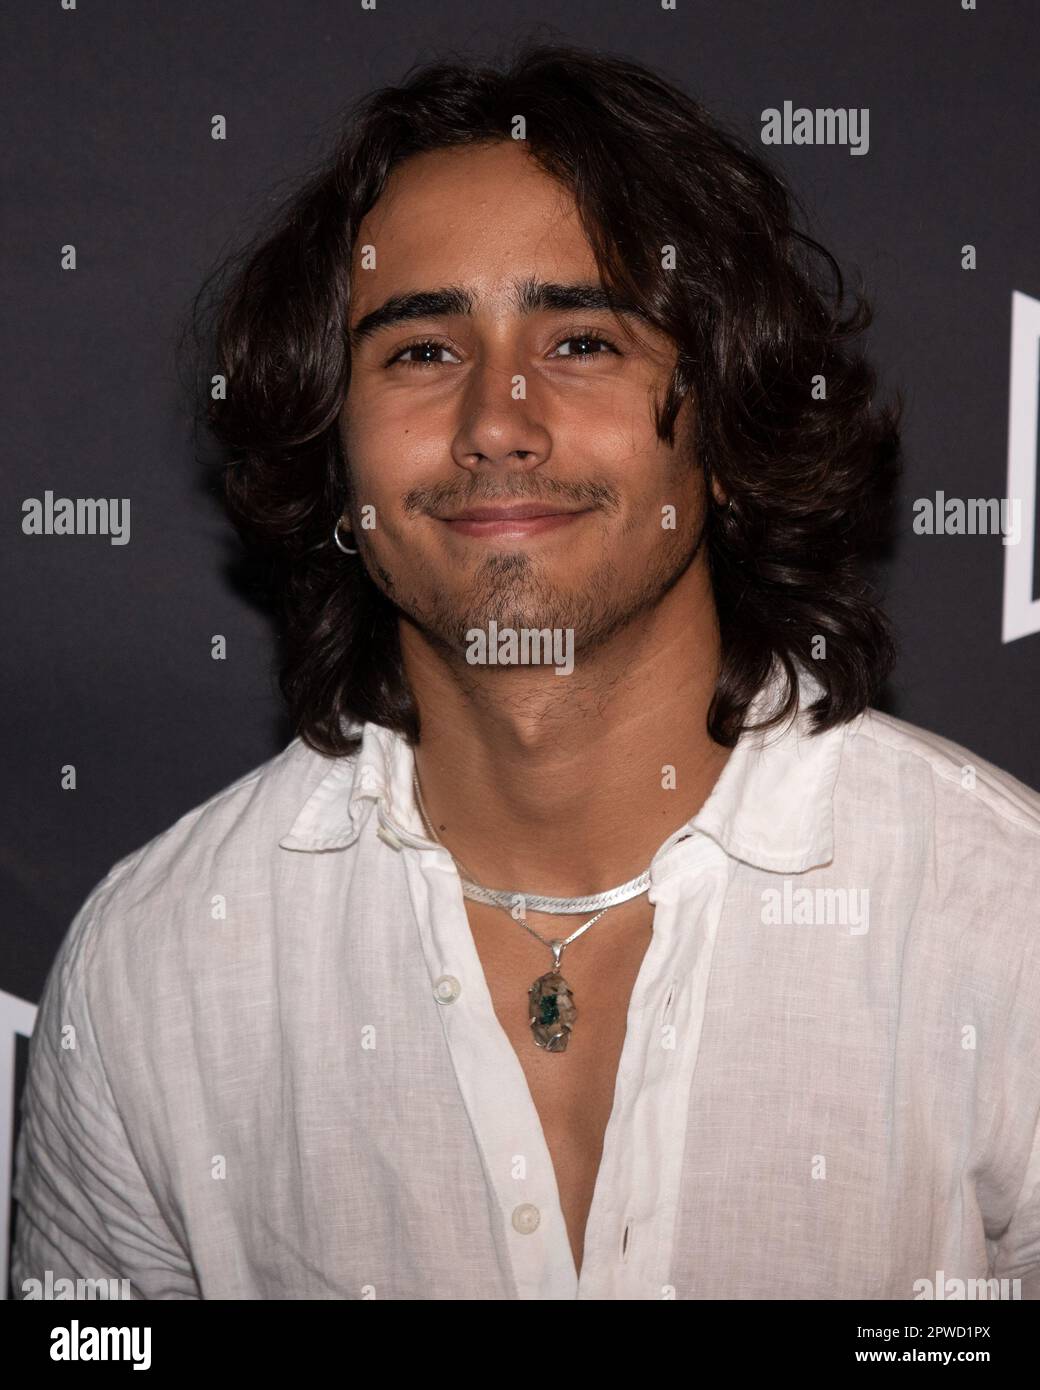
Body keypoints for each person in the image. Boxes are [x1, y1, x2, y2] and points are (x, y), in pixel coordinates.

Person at [12, 42, 1040, 1301]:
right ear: (334, 458)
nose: (497, 417)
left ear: (724, 428)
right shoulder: (152, 977)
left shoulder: (1004, 925)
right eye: (420, 352)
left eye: (583, 341)